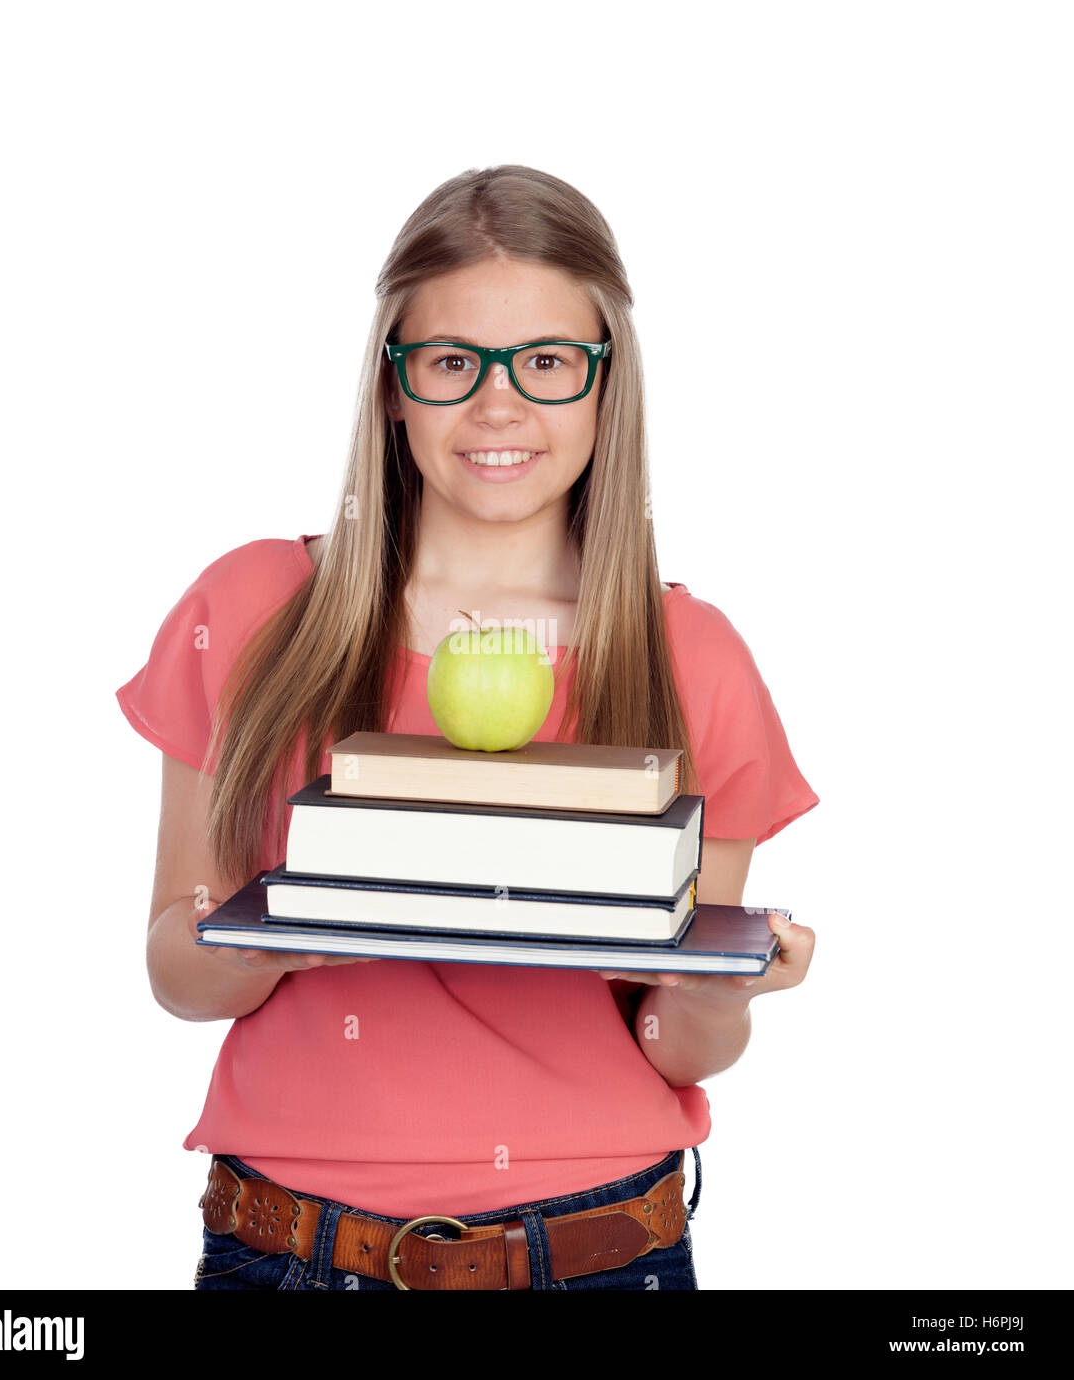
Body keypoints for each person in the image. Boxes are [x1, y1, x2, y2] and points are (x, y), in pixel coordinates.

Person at [116, 164, 820, 1291]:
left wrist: (713, 985)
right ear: (393, 387)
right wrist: (301, 924)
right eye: (452, 362)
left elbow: (678, 1047)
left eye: (546, 362)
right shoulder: (247, 611)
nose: (499, 407)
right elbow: (175, 965)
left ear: (604, 387)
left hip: (597, 1249)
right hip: (288, 1247)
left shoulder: (693, 655)